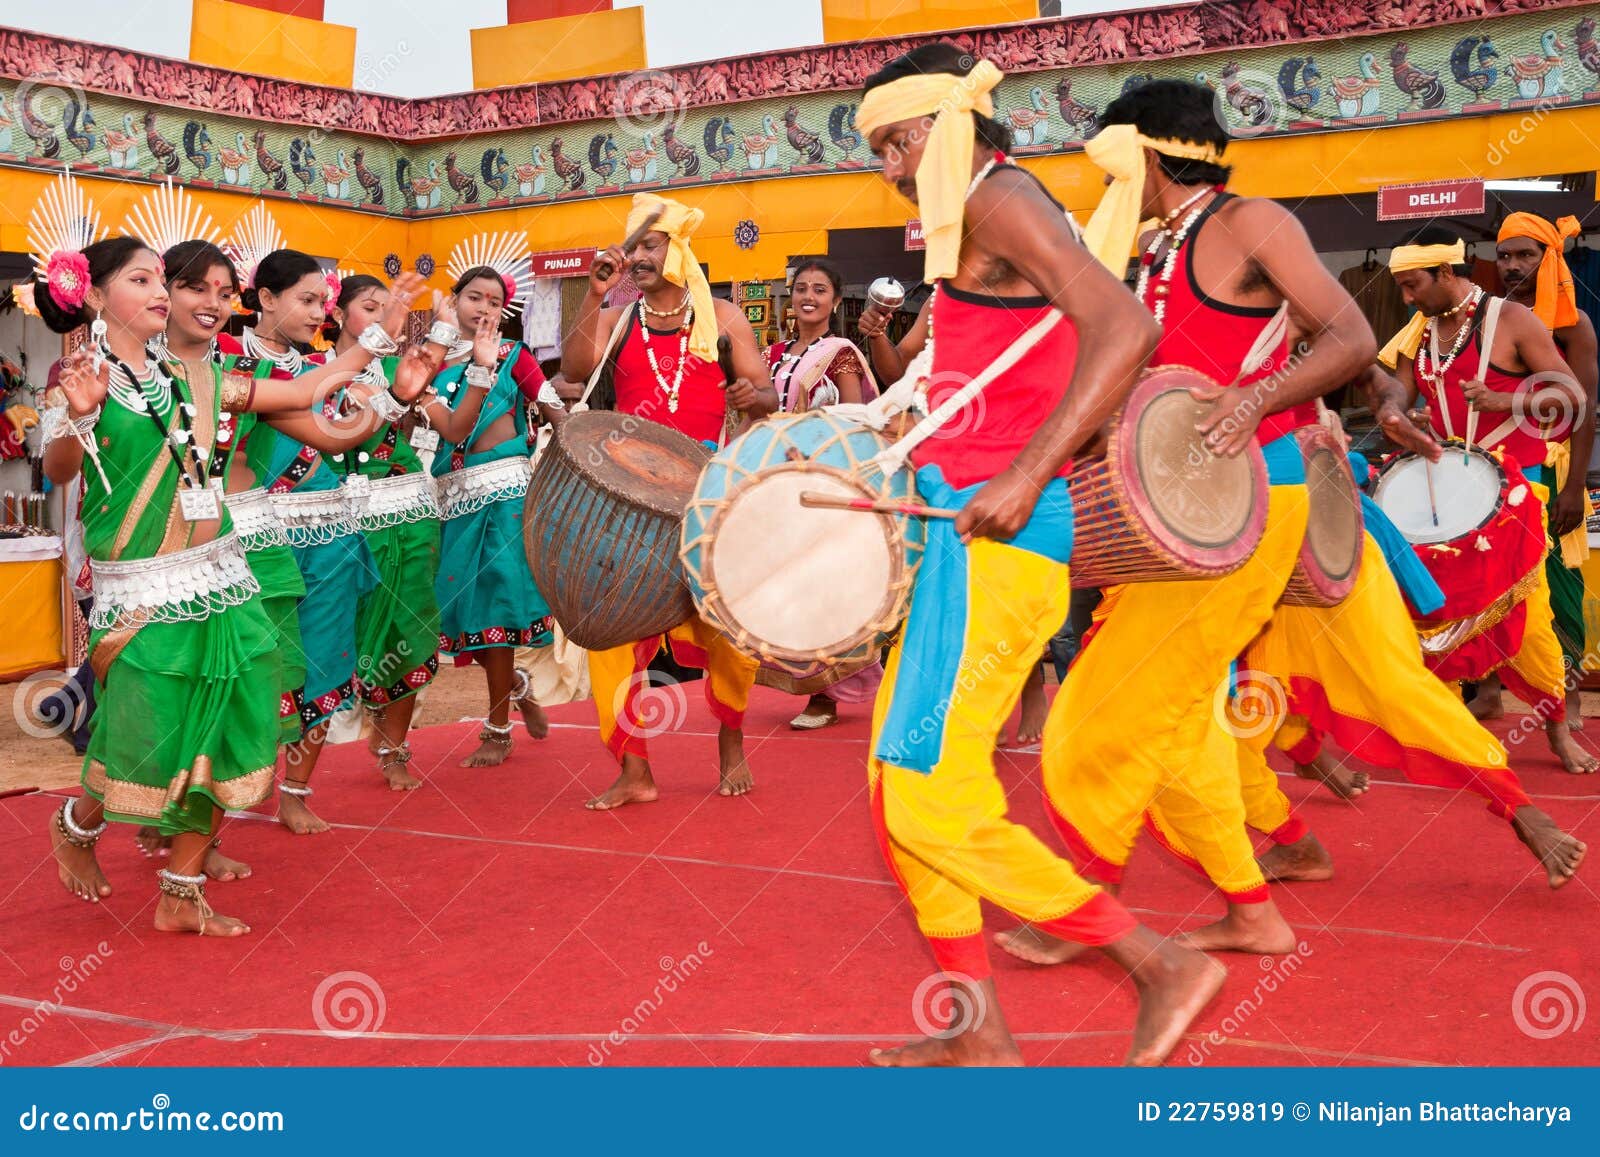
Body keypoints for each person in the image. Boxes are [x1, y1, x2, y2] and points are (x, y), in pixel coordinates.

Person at [852, 46, 1225, 1068]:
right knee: (901, 789)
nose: (887, 166)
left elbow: (1126, 324)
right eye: (877, 149)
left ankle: (1159, 963)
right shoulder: (971, 212)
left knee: (926, 795)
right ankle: (980, 1034)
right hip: (959, 534)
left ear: (939, 126)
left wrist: (1023, 471)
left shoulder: (996, 198)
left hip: (1001, 541)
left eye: (895, 141)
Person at [1003, 79, 1375, 966]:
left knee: (1101, 711)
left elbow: (1352, 337)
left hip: (1254, 499)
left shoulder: (1252, 223)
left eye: (1106, 155)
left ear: (1141, 152)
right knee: (1184, 718)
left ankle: (1084, 906)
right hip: (1176, 512)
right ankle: (1252, 908)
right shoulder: (1147, 245)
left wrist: (1257, 399)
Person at [37, 224, 434, 934]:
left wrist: (375, 341)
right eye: (141, 280)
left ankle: (180, 890)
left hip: (224, 577)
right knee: (147, 741)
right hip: (143, 592)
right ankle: (77, 824)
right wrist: (76, 413)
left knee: (242, 716)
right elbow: (61, 471)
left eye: (161, 278)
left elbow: (308, 388)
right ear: (94, 294)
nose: (158, 291)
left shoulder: (199, 377)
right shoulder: (81, 382)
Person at [562, 193, 777, 810]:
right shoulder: (618, 318)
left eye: (649, 246)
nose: (637, 257)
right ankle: (635, 769)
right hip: (628, 502)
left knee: (728, 630)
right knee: (611, 632)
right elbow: (576, 370)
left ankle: (731, 740)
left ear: (677, 251)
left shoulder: (725, 317)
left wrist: (750, 394)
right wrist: (593, 292)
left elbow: (763, 393)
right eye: (632, 247)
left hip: (707, 496)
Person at [1378, 225, 1598, 776]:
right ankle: (1447, 730)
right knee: (1439, 611)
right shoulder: (1419, 330)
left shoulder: (1512, 320)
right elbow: (1394, 406)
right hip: (1445, 490)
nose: (1407, 298)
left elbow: (1571, 394)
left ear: (1447, 273)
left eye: (1412, 286)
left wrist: (1506, 396)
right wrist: (1405, 418)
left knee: (1533, 615)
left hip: (1514, 489)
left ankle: (1556, 734)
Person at [423, 252, 565, 768]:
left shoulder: (514, 356)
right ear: (454, 302)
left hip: (506, 494)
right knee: (462, 611)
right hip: (449, 498)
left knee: (497, 607)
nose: (484, 307)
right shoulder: (428, 361)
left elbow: (553, 410)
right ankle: (516, 687)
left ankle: (497, 727)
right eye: (474, 297)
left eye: (495, 301)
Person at [1470, 214, 1600, 728]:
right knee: (1490, 579)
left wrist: (1573, 488)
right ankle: (1490, 690)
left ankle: (1566, 701)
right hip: (1498, 470)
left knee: (1559, 586)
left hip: (1551, 472)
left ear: (1551, 259)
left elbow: (1584, 408)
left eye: (1526, 255)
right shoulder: (1487, 316)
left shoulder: (1572, 324)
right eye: (1504, 256)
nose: (1513, 266)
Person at [327, 275, 445, 788]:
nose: (379, 316)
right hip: (337, 517)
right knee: (343, 630)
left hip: (407, 510)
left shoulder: (400, 367)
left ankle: (395, 749)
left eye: (388, 307)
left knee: (410, 625)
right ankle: (307, 761)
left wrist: (448, 324)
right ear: (336, 314)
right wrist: (392, 397)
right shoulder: (312, 374)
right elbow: (332, 433)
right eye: (369, 307)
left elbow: (448, 425)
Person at [762, 257, 879, 729]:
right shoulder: (776, 354)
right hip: (779, 481)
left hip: (824, 479)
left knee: (824, 586)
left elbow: (855, 420)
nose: (809, 297)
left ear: (835, 300)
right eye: (802, 289)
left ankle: (827, 695)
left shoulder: (841, 351)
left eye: (820, 290)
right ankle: (813, 684)